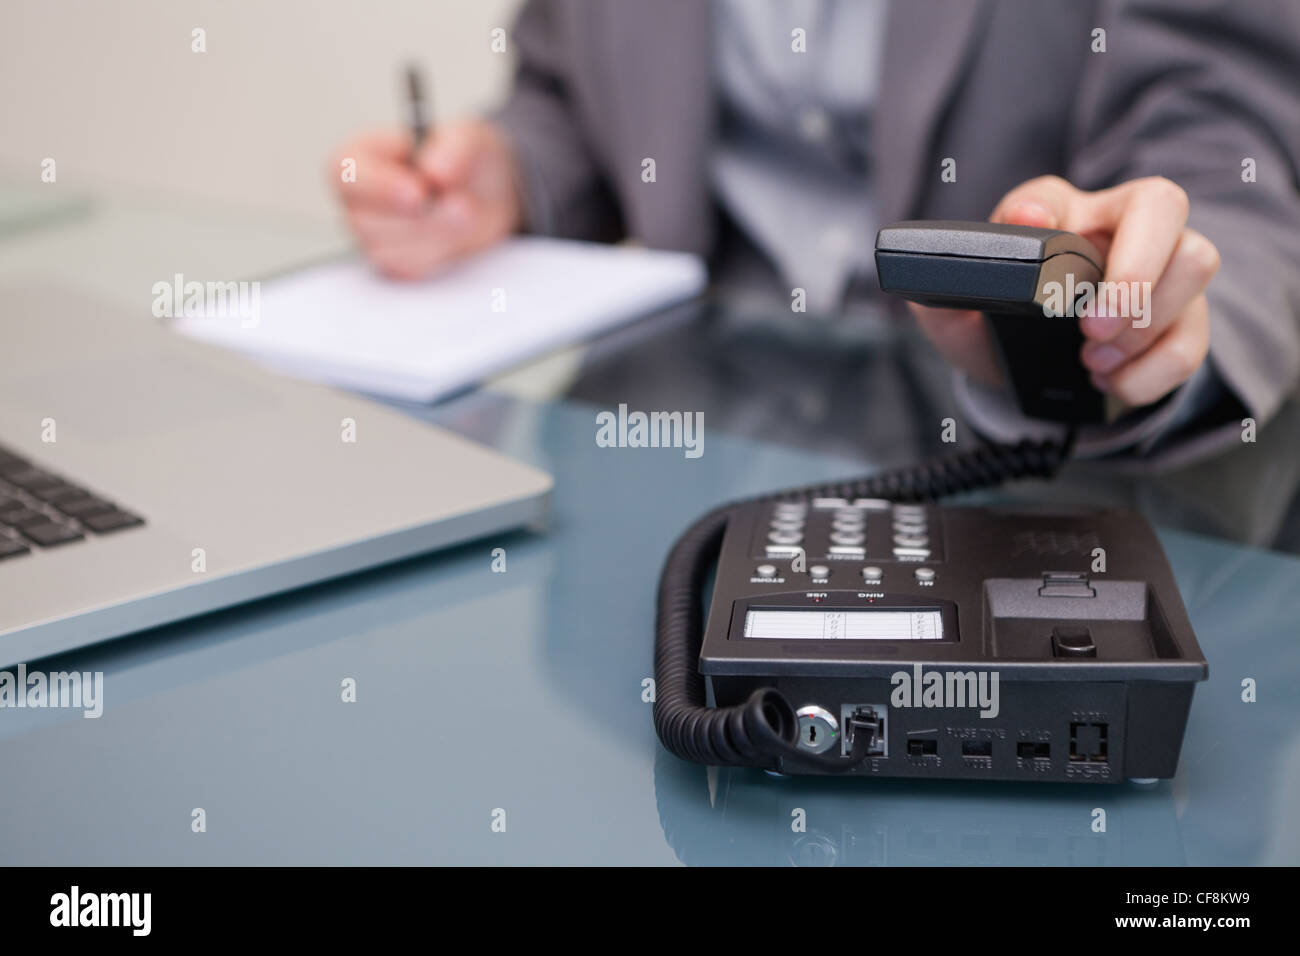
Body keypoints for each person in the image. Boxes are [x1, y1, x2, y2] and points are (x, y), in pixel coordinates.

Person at [331, 0, 1300, 463]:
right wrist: (509, 171)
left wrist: (1141, 306)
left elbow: (1231, 141)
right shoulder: (593, 671)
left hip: (1029, 473)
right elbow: (567, 82)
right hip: (671, 430)